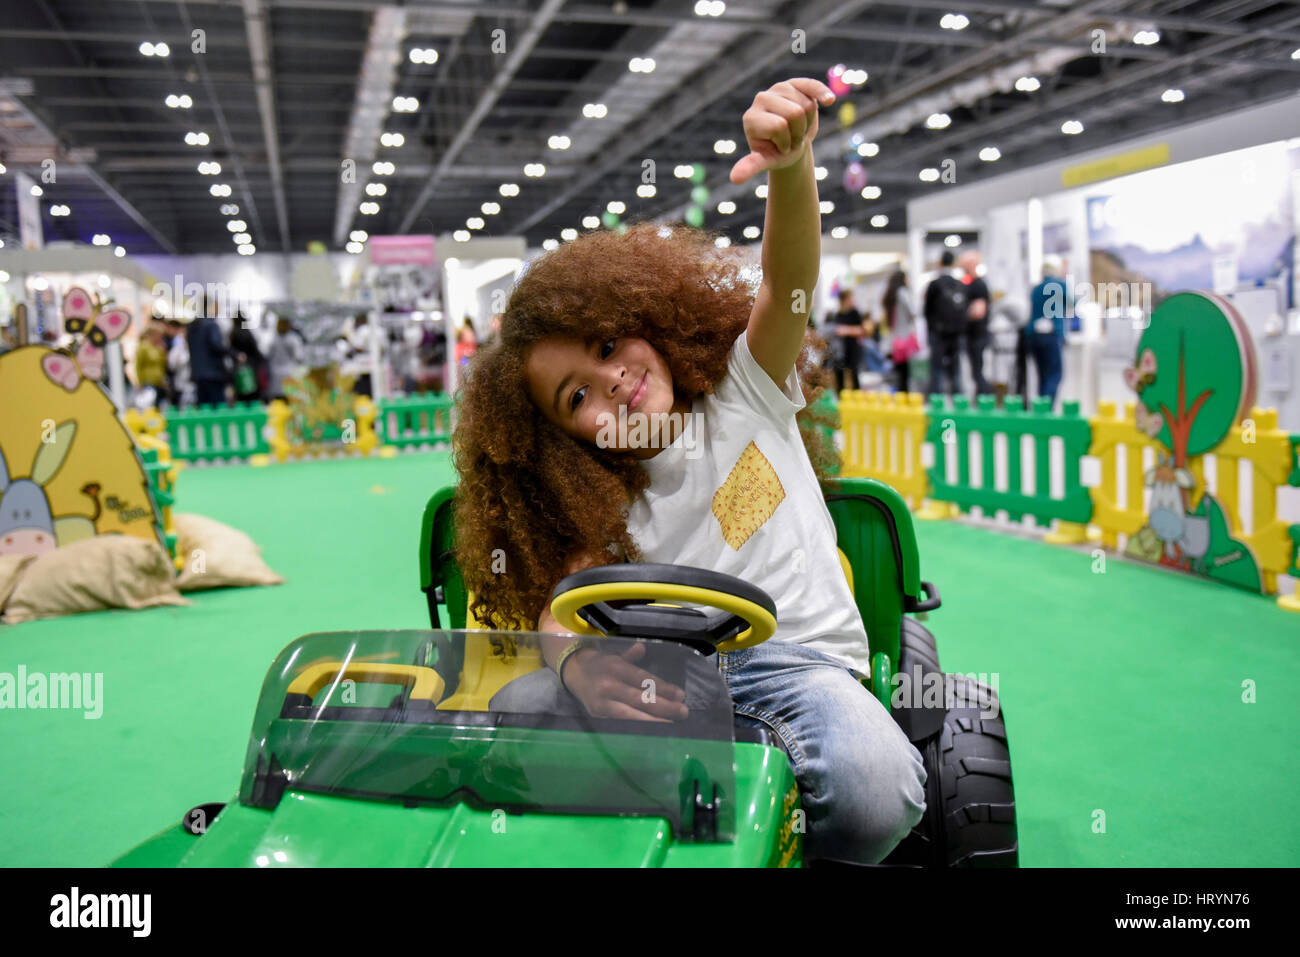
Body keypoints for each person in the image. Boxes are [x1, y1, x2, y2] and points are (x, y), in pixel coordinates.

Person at [451, 77, 925, 866]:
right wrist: (580, 666)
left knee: (877, 788)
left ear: (643, 320)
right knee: (520, 707)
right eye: (577, 394)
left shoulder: (746, 389)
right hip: (657, 685)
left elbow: (787, 282)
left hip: (798, 668)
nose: (610, 381)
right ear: (563, 435)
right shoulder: (591, 500)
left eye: (607, 345)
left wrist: (793, 167)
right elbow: (560, 612)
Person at [924, 251, 969, 397]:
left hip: (938, 332)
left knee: (937, 368)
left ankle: (937, 400)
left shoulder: (935, 284)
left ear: (940, 262)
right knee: (956, 368)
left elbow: (926, 310)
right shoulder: (959, 284)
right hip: (956, 333)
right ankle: (958, 400)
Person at [1028, 255, 1071, 406]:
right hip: (1051, 336)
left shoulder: (1036, 288)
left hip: (1034, 336)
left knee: (1042, 375)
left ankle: (1040, 408)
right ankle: (1047, 408)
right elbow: (1073, 302)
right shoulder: (1059, 285)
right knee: (1054, 374)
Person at [958, 251, 991, 396]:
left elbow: (978, 312)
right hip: (972, 334)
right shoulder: (968, 283)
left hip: (977, 334)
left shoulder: (978, 285)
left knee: (977, 371)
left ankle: (983, 398)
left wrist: (959, 315)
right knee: (975, 371)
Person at [186, 297, 229, 406]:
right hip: (213, 373)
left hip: (198, 374)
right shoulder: (211, 325)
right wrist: (234, 353)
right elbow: (216, 346)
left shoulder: (192, 326)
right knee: (219, 410)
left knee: (203, 410)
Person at [881, 270, 918, 394]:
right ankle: (905, 395)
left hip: (894, 339)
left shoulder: (890, 296)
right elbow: (913, 311)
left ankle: (898, 394)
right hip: (905, 338)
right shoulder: (903, 293)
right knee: (905, 372)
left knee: (898, 370)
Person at [830, 289, 864, 396]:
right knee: (839, 373)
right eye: (850, 298)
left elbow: (861, 330)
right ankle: (841, 399)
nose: (852, 301)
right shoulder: (837, 315)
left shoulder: (855, 313)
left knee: (854, 375)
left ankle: (857, 399)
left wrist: (846, 330)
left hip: (853, 348)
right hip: (840, 350)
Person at [264, 316, 304, 401]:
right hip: (289, 372)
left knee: (277, 401)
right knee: (290, 399)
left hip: (274, 373)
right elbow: (299, 357)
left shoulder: (272, 338)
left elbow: (267, 354)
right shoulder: (293, 338)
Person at [229, 311, 265, 403]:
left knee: (241, 396)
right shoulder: (246, 332)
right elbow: (255, 350)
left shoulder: (232, 333)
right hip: (251, 368)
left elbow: (230, 350)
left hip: (238, 369)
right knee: (253, 395)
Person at [132, 321, 168, 407]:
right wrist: (139, 382)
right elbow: (138, 365)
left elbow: (163, 363)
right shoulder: (143, 346)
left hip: (159, 381)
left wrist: (162, 352)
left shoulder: (157, 346)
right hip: (148, 381)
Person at [348, 312, 376, 397]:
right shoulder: (373, 329)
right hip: (371, 366)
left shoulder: (363, 330)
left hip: (365, 367)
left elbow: (357, 346)